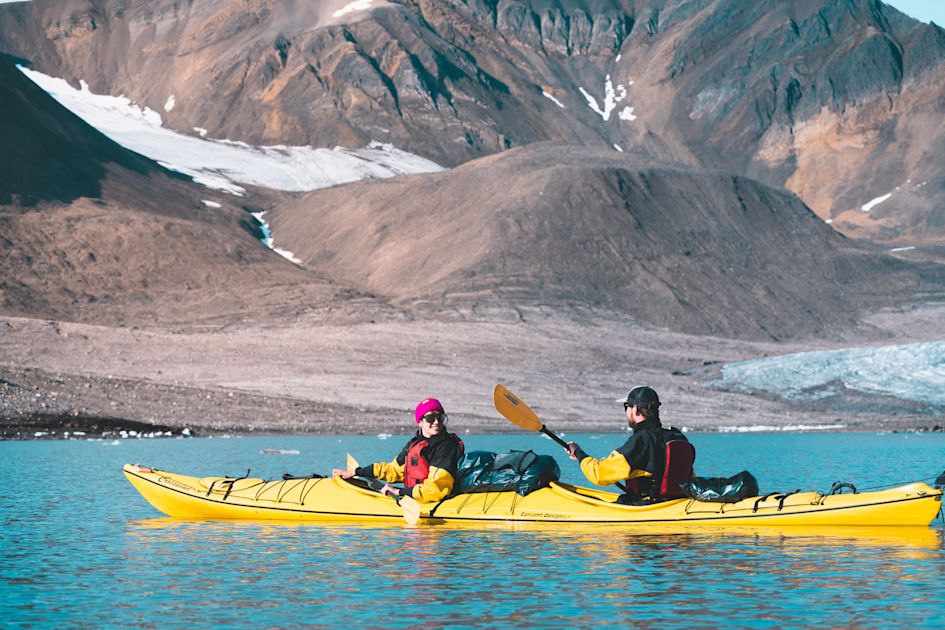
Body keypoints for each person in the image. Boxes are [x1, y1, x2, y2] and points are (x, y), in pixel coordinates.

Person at [566, 386, 695, 503]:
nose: (626, 411)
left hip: (648, 507)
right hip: (678, 504)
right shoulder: (678, 437)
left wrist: (578, 453)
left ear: (636, 409)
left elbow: (599, 474)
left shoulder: (642, 440)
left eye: (626, 406)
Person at [332, 398, 465, 503]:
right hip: (418, 497)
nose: (436, 422)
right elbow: (393, 470)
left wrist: (399, 492)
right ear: (420, 422)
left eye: (440, 417)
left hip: (435, 500)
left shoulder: (446, 446)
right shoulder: (415, 444)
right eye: (430, 418)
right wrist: (356, 472)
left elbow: (435, 489)